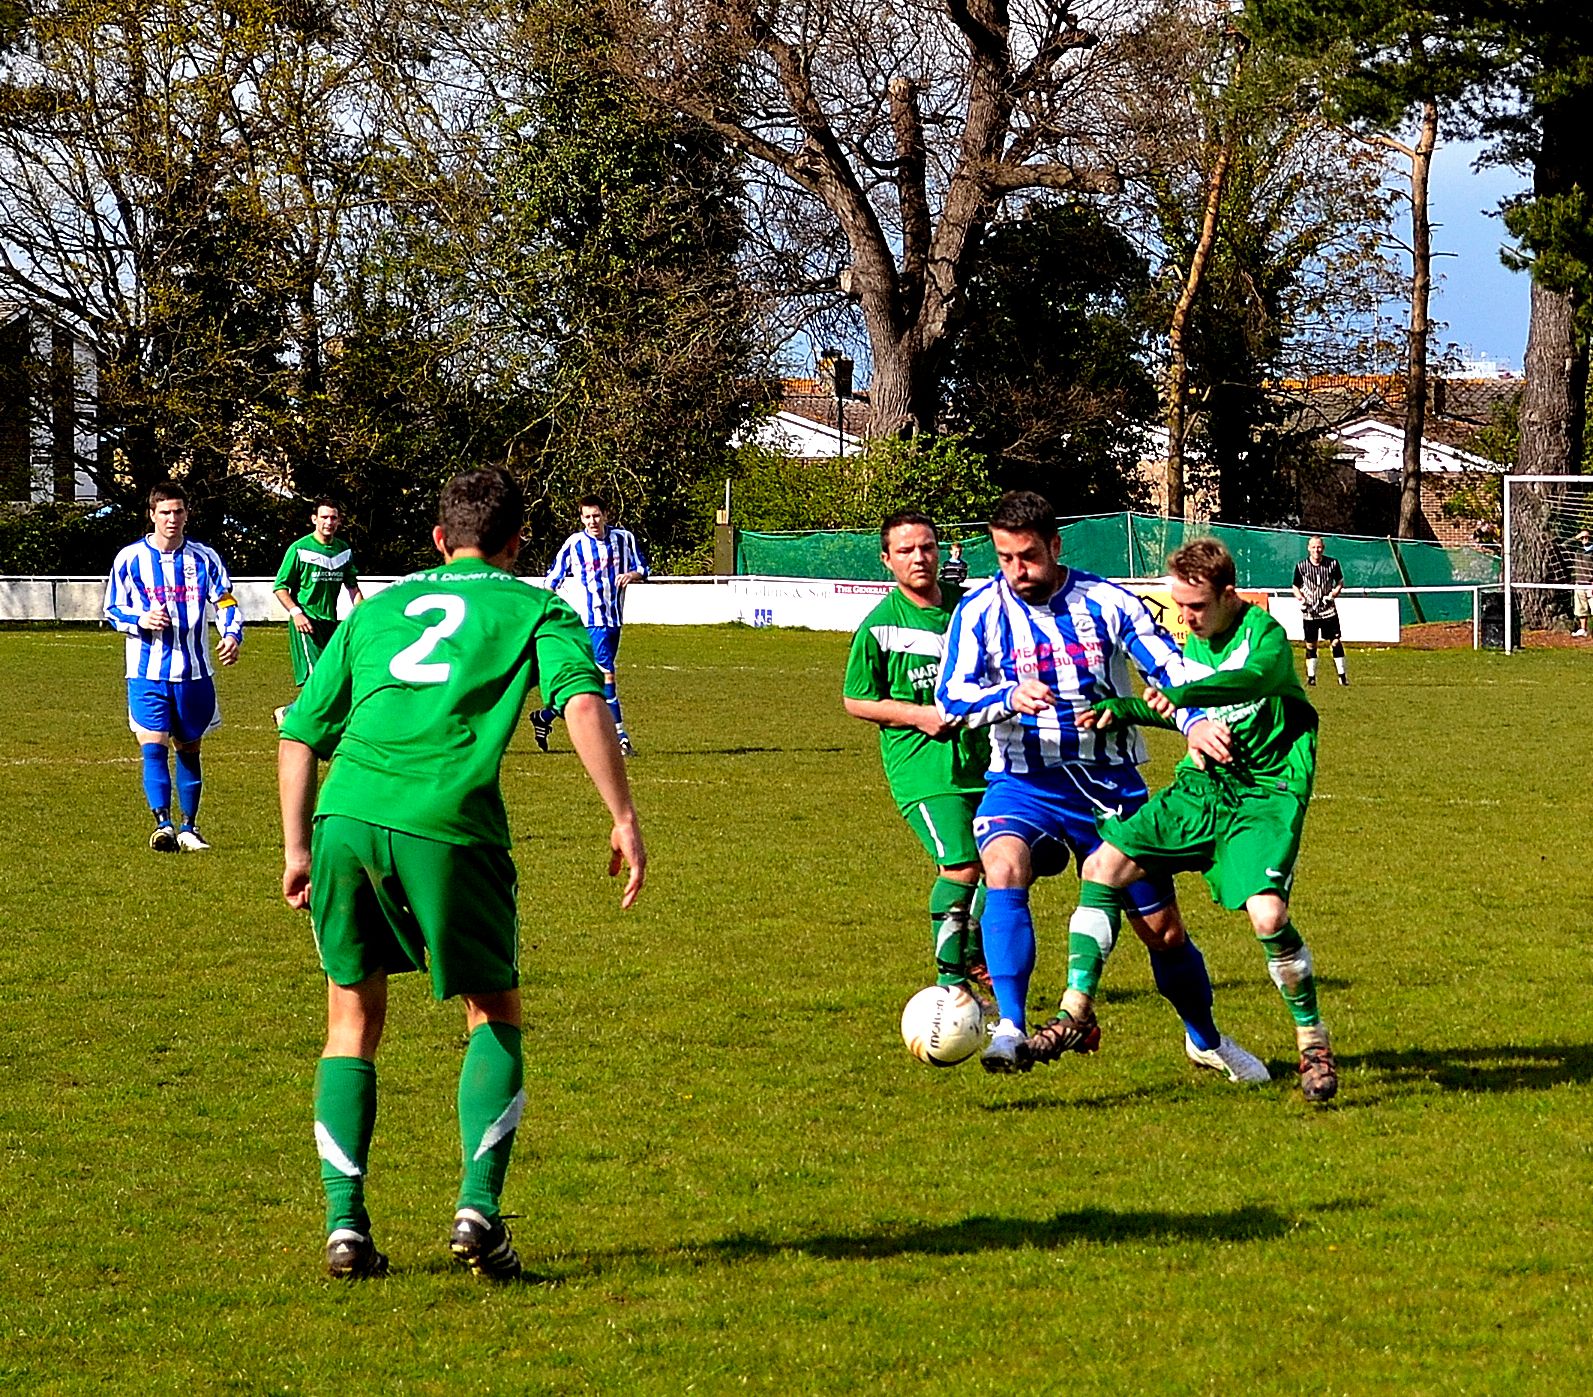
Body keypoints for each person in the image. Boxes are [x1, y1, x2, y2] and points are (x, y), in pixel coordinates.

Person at [278, 467, 646, 1281]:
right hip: (448, 823)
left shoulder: (374, 610)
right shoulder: (537, 605)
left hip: (345, 816)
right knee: (493, 1009)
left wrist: (297, 846)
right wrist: (621, 815)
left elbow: (300, 732)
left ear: (439, 540)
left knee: (350, 1016)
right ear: (520, 544)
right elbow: (582, 700)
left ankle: (345, 1226)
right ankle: (478, 1209)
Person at [936, 491, 1267, 1083]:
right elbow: (951, 698)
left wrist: (1194, 720)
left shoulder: (1109, 603)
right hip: (1023, 780)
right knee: (1003, 867)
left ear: (1056, 546)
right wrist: (1006, 697)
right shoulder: (978, 610)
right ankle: (1011, 1027)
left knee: (1162, 932)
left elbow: (1168, 667)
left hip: (1109, 788)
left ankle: (1206, 1039)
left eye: (1030, 556)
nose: (1018, 571)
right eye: (1006, 557)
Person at [1070, 538, 1338, 1104]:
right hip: (1204, 786)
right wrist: (1121, 709)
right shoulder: (1188, 644)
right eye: (1179, 606)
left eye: (1196, 606)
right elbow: (1177, 709)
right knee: (1104, 864)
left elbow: (1248, 684)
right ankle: (1074, 1011)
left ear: (1228, 594)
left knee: (1268, 916)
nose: (1186, 619)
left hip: (1265, 795)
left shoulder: (1262, 636)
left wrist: (1181, 692)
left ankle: (1312, 1042)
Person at [843, 512, 990, 996]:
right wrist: (919, 716)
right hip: (924, 768)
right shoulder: (880, 628)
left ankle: (972, 957)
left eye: (926, 547)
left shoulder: (968, 610)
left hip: (984, 761)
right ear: (887, 560)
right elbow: (855, 699)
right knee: (963, 866)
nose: (919, 558)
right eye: (905, 551)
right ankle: (952, 987)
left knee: (1001, 864)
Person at [104, 481, 243, 853]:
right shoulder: (130, 559)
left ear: (186, 515)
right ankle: (162, 824)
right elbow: (113, 609)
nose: (172, 519)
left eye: (178, 511)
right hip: (146, 673)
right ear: (152, 515)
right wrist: (141, 618)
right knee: (153, 746)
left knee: (189, 748)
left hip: (194, 673)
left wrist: (231, 634)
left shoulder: (205, 558)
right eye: (164, 512)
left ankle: (189, 827)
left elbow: (226, 599)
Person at [530, 496, 648, 757]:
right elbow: (553, 577)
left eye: (596, 515)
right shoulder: (575, 544)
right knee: (607, 677)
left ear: (605, 514)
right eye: (587, 517)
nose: (592, 521)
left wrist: (632, 575)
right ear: (581, 518)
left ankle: (544, 716)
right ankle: (621, 738)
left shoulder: (624, 539)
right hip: (591, 621)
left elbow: (642, 566)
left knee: (591, 683)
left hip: (614, 620)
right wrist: (543, 609)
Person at [271, 498, 364, 726]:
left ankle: (289, 713)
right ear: (314, 519)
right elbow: (280, 587)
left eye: (333, 518)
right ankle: (307, 727)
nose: (328, 522)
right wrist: (296, 612)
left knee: (333, 678)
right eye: (324, 517)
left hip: (330, 624)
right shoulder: (300, 549)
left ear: (339, 521)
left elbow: (352, 586)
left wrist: (365, 614)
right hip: (306, 621)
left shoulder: (343, 550)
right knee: (317, 681)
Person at [1291, 536, 1347, 686]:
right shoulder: (1301, 566)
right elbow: (1295, 586)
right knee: (1311, 645)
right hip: (1310, 612)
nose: (1317, 550)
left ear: (1323, 548)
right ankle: (1311, 677)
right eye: (1314, 547)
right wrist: (1301, 600)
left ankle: (1342, 676)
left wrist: (1333, 594)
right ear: (1308, 548)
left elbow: (1340, 582)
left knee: (1335, 641)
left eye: (1319, 547)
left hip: (1328, 610)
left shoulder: (1332, 564)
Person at [1570, 528, 1593, 638]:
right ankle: (1583, 629)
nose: (1585, 539)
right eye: (1582, 537)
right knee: (1581, 609)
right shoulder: (1577, 550)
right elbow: (1564, 545)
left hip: (1591, 585)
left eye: (1587, 537)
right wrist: (1577, 537)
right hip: (1579, 584)